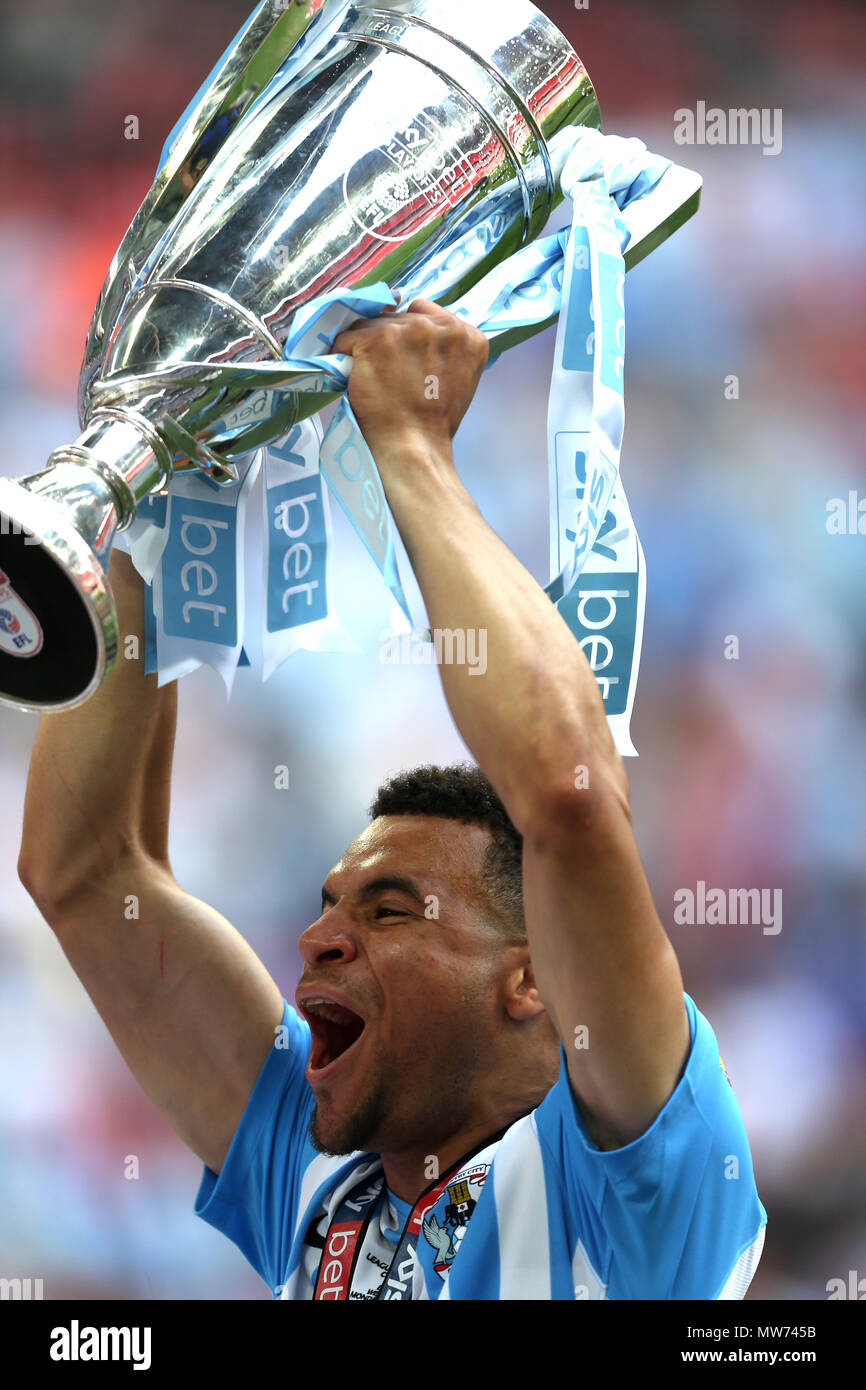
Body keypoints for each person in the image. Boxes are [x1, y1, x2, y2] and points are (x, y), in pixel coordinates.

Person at [18, 300, 766, 1300]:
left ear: (532, 980)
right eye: (331, 904)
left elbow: (567, 800)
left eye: (385, 910)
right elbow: (84, 872)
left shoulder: (635, 1189)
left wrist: (409, 446)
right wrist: (139, 492)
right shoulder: (324, 1169)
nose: (318, 938)